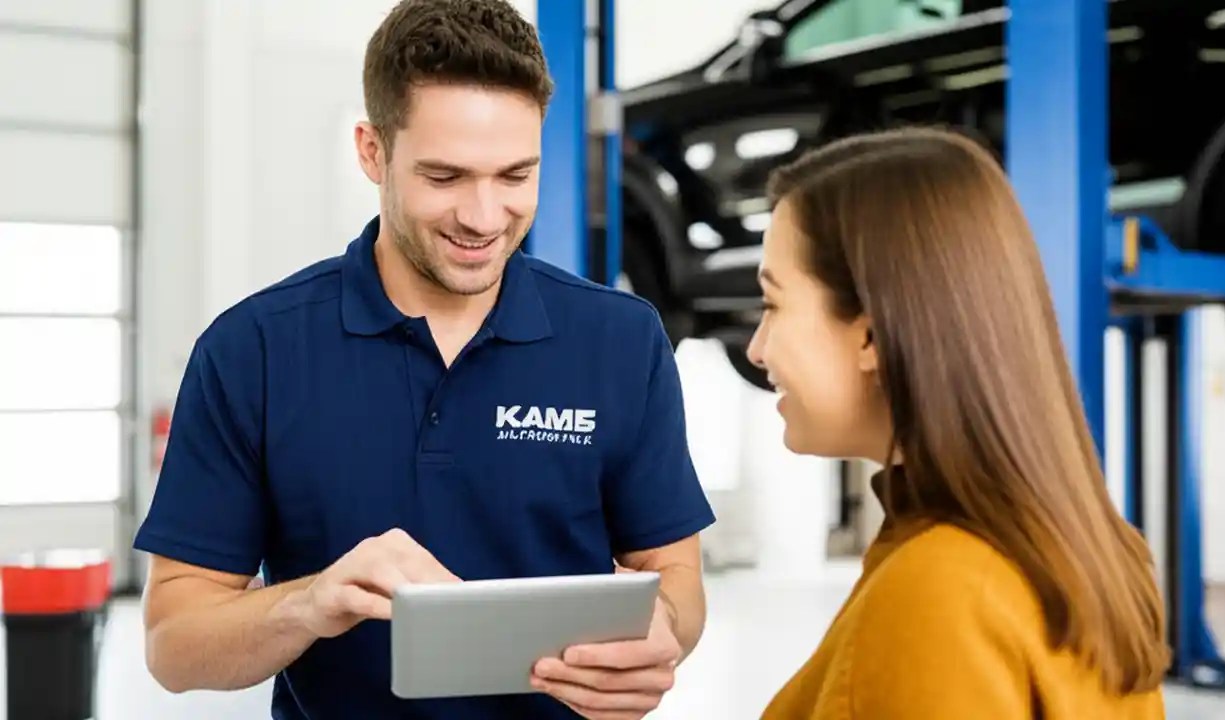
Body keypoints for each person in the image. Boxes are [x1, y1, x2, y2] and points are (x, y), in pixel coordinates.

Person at [133, 1, 715, 718]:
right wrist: (311, 603)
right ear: (372, 151)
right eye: (445, 177)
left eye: (514, 176)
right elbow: (173, 643)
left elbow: (675, 577)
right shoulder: (252, 350)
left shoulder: (620, 340)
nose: (483, 216)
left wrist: (662, 638)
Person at [747, 127, 1170, 718]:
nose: (756, 349)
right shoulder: (1088, 551)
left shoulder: (940, 591)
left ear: (871, 334)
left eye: (772, 305)